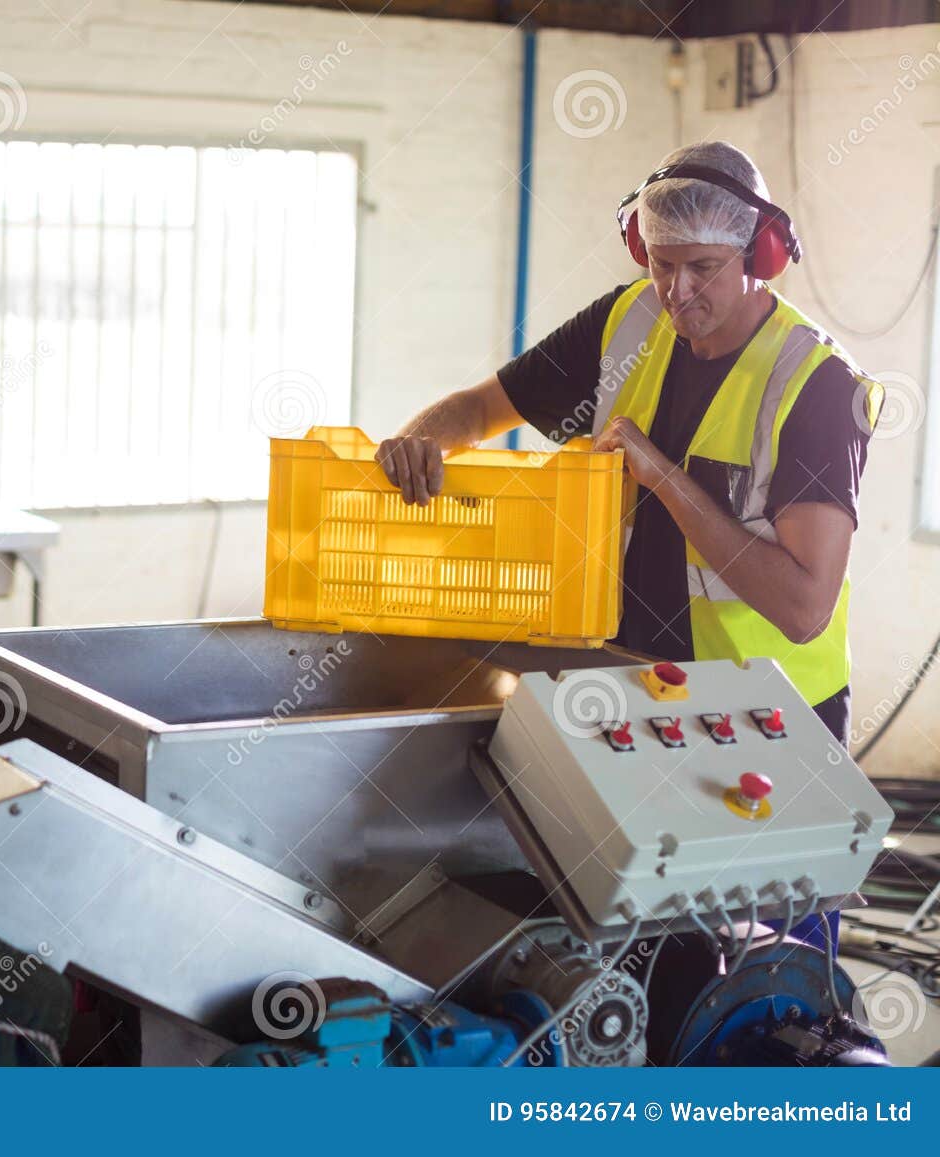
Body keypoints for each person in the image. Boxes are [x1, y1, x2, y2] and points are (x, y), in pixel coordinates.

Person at [375, 141, 882, 954]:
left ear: (761, 254)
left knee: (765, 990)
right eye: (663, 264)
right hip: (636, 699)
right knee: (638, 966)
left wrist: (664, 477)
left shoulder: (816, 385)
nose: (679, 292)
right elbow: (478, 406)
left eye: (705, 268)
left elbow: (801, 605)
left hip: (773, 723)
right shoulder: (626, 321)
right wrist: (415, 442)